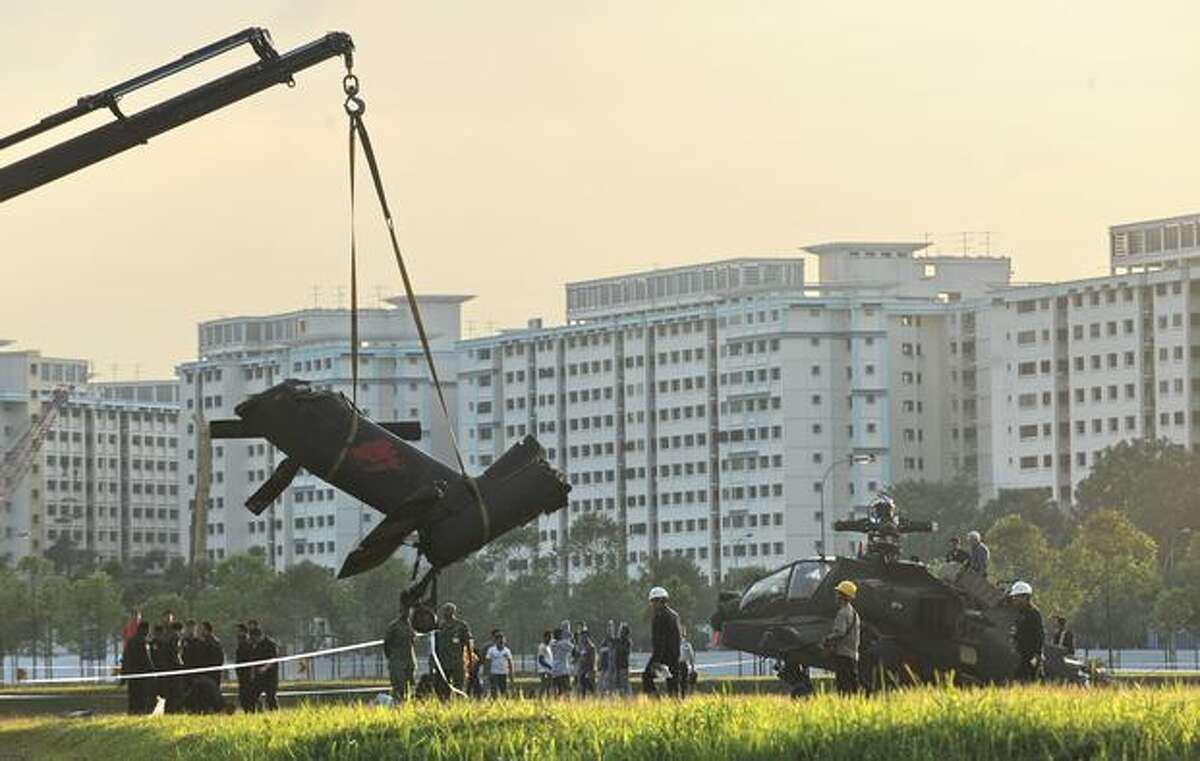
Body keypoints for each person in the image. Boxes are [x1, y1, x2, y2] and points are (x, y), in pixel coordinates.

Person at [642, 586, 684, 698]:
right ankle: (675, 707)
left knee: (646, 677)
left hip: (661, 656)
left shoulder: (659, 617)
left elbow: (659, 641)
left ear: (661, 601)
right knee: (672, 683)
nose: (653, 605)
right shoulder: (674, 615)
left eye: (654, 602)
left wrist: (656, 660)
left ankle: (655, 703)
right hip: (674, 656)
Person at [823, 580, 861, 695]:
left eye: (838, 593)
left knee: (844, 686)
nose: (836, 596)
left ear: (842, 596)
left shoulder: (843, 613)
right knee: (853, 684)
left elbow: (840, 632)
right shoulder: (854, 613)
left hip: (843, 655)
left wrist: (828, 639)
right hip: (853, 654)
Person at [433, 602, 472, 698]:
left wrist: (470, 659)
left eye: (449, 610)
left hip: (457, 661)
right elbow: (434, 645)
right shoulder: (439, 626)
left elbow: (467, 643)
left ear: (454, 611)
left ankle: (459, 705)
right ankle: (445, 707)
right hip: (442, 662)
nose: (447, 613)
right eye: (445, 610)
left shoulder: (461, 625)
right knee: (443, 687)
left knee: (459, 685)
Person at [1010, 581, 1044, 683]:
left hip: (1031, 656)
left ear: (1025, 597)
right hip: (1022, 654)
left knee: (1028, 679)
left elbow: (1040, 635)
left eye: (1017, 597)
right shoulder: (1020, 614)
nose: (1014, 600)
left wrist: (1037, 655)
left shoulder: (1033, 614)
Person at [384, 603, 417, 702]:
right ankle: (397, 705)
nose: (407, 613)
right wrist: (392, 658)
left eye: (408, 611)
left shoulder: (411, 626)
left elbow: (412, 641)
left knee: (410, 686)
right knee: (399, 686)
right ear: (400, 612)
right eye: (404, 611)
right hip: (397, 661)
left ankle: (406, 705)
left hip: (409, 660)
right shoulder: (393, 626)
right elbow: (387, 644)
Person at [121, 620, 155, 715]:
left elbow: (125, 658)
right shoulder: (143, 642)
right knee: (142, 697)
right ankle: (140, 713)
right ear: (145, 629)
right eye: (148, 630)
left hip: (132, 674)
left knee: (133, 697)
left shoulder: (130, 641)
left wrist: (124, 674)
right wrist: (153, 671)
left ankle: (132, 713)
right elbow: (147, 658)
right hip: (142, 674)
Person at [248, 620, 280, 710]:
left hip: (270, 675)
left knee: (270, 697)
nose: (255, 640)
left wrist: (265, 668)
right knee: (252, 695)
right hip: (259, 676)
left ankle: (275, 713)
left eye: (256, 638)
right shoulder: (255, 645)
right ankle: (255, 712)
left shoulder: (271, 644)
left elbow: (274, 659)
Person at [485, 631, 515, 698]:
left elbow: (510, 663)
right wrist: (487, 674)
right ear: (496, 641)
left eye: (502, 640)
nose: (501, 641)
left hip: (504, 674)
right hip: (494, 674)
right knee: (494, 691)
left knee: (504, 691)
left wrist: (511, 674)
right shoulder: (491, 650)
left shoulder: (507, 651)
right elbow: (488, 662)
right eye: (499, 640)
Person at [234, 623, 256, 713]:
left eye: (239, 631)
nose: (238, 633)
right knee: (243, 695)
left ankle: (251, 710)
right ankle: (247, 710)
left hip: (248, 673)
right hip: (242, 674)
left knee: (248, 694)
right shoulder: (240, 643)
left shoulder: (248, 643)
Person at [550, 627, 574, 697]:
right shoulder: (564, 643)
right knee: (567, 688)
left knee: (557, 689)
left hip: (554, 669)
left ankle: (556, 701)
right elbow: (574, 650)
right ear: (561, 635)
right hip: (563, 669)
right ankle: (567, 703)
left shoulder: (552, 644)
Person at [575, 626, 597, 697]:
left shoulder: (591, 647)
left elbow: (592, 659)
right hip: (582, 669)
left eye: (584, 636)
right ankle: (583, 698)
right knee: (582, 686)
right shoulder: (581, 646)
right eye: (582, 636)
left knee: (589, 685)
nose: (583, 638)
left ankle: (594, 696)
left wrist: (591, 669)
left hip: (588, 670)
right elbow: (579, 656)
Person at [613, 622, 632, 696]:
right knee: (617, 684)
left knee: (624, 683)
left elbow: (625, 651)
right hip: (617, 665)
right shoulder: (617, 641)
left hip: (623, 665)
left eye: (621, 631)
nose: (620, 632)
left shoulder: (627, 642)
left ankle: (627, 696)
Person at [536, 630, 555, 698]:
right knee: (544, 685)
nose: (550, 638)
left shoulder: (548, 647)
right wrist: (549, 666)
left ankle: (548, 698)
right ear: (545, 637)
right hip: (543, 669)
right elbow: (541, 659)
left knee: (549, 685)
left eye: (551, 637)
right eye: (549, 637)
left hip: (548, 669)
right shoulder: (542, 646)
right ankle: (540, 698)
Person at [679, 630, 697, 696]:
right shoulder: (673, 644)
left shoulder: (687, 645)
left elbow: (691, 656)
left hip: (683, 664)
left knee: (683, 681)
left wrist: (692, 668)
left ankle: (683, 695)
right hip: (675, 664)